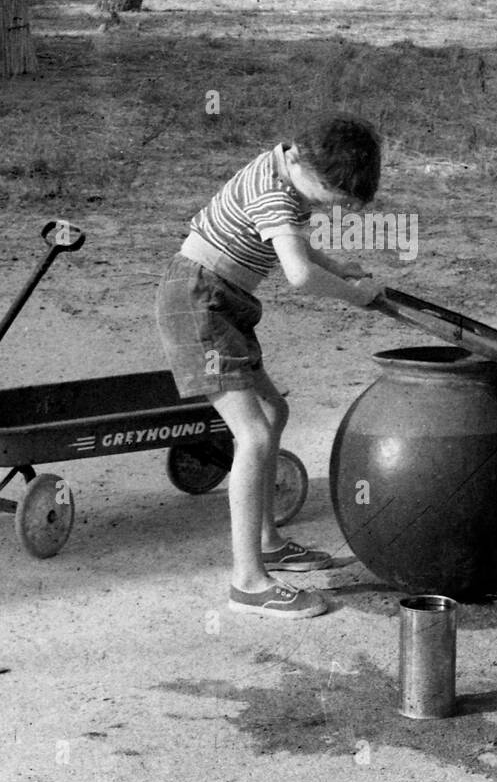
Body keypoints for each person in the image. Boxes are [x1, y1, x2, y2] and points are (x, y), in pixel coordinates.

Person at [155, 117, 383, 619]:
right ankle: (248, 583)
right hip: (200, 303)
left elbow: (296, 248)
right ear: (302, 160)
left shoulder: (282, 166)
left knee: (272, 410)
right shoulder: (278, 196)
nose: (324, 206)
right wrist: (355, 295)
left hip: (218, 298)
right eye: (326, 196)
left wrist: (335, 265)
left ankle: (268, 541)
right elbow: (298, 275)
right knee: (254, 434)